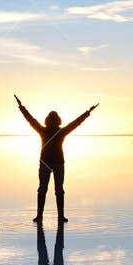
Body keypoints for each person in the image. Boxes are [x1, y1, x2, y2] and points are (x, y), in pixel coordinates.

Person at [13, 94, 96, 223]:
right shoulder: (57, 131)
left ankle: (43, 216)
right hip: (55, 163)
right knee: (56, 190)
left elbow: (30, 119)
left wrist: (21, 106)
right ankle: (55, 216)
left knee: (45, 189)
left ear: (49, 120)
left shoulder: (44, 130)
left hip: (51, 163)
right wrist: (88, 112)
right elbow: (76, 123)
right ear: (58, 120)